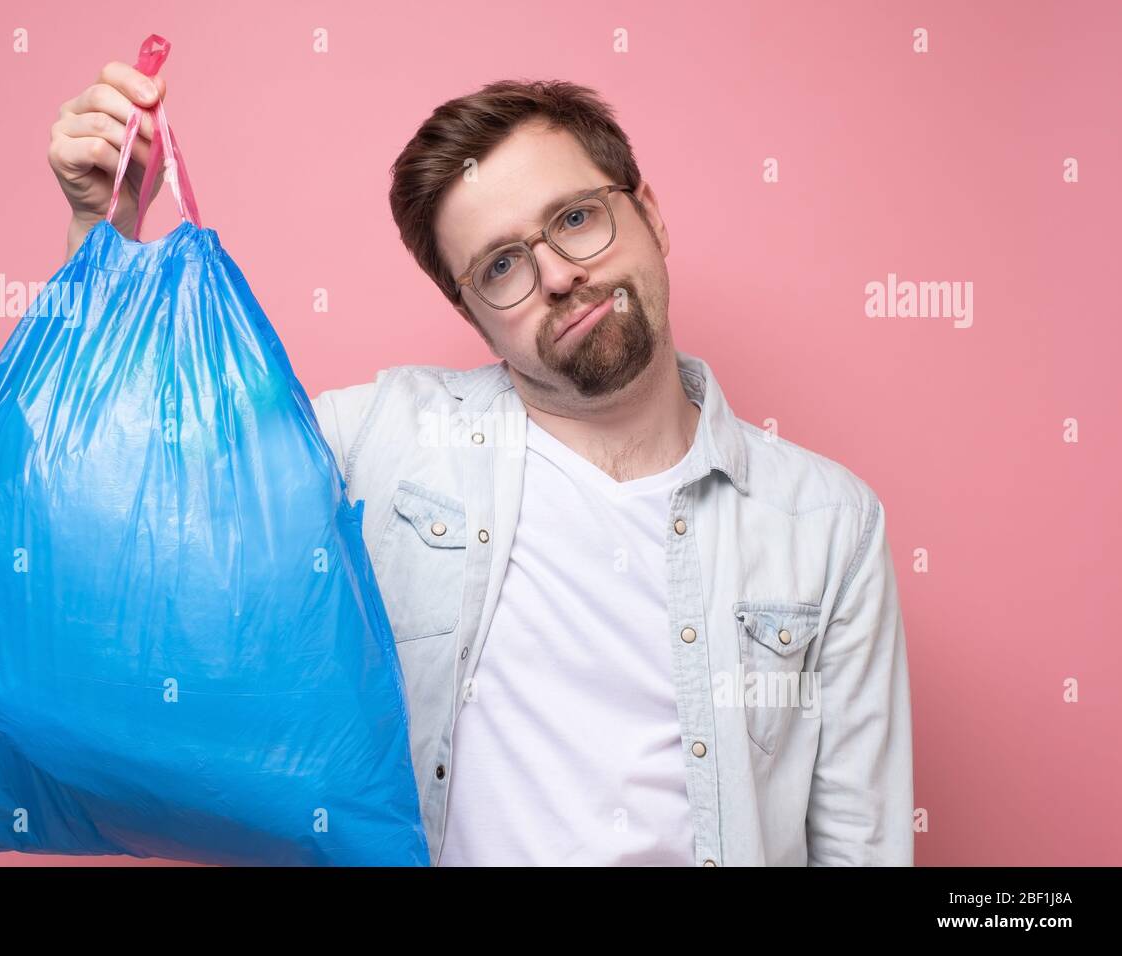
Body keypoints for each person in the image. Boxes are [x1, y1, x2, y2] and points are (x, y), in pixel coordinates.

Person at [47, 65, 914, 867]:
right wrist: (106, 237)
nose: (559, 276)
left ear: (650, 212)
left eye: (576, 218)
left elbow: (861, 844)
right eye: (502, 265)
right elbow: (125, 514)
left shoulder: (828, 523)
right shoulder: (375, 442)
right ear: (471, 313)